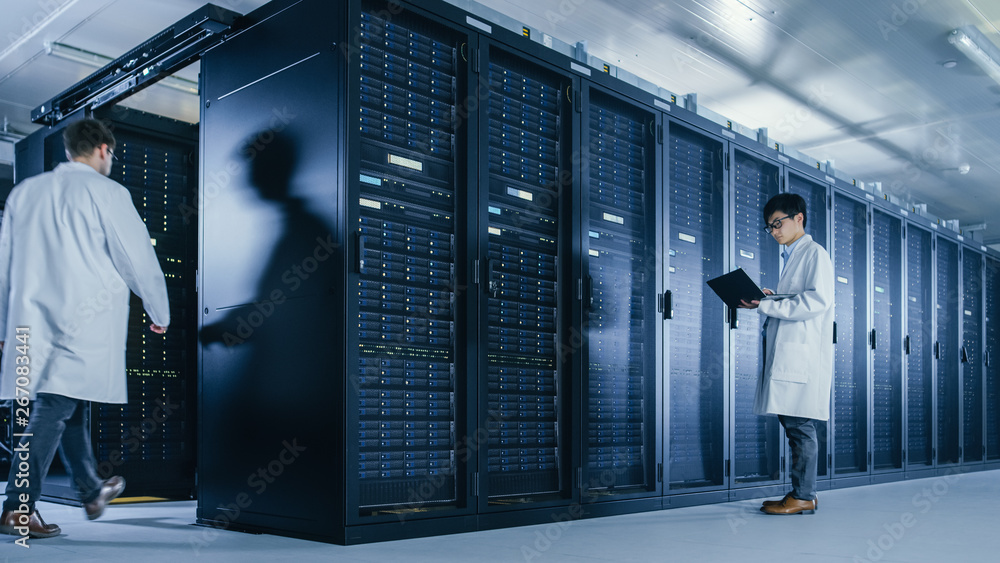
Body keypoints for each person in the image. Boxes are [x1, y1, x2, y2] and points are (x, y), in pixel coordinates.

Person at [0, 118, 170, 539]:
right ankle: (17, 508)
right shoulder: (107, 192)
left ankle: (91, 490)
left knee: (64, 403)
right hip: (80, 321)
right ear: (103, 150)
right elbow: (136, 259)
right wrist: (159, 310)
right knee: (55, 406)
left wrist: (4, 324)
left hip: (30, 322)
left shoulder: (25, 192)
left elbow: (4, 265)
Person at [738, 192, 834, 516]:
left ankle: (804, 495)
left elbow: (816, 301)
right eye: (770, 227)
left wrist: (767, 305)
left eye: (778, 223)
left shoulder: (814, 254)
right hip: (790, 356)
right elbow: (797, 297)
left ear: (799, 218)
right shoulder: (794, 256)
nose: (774, 231)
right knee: (794, 424)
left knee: (799, 426)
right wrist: (772, 298)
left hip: (800, 358)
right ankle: (802, 493)